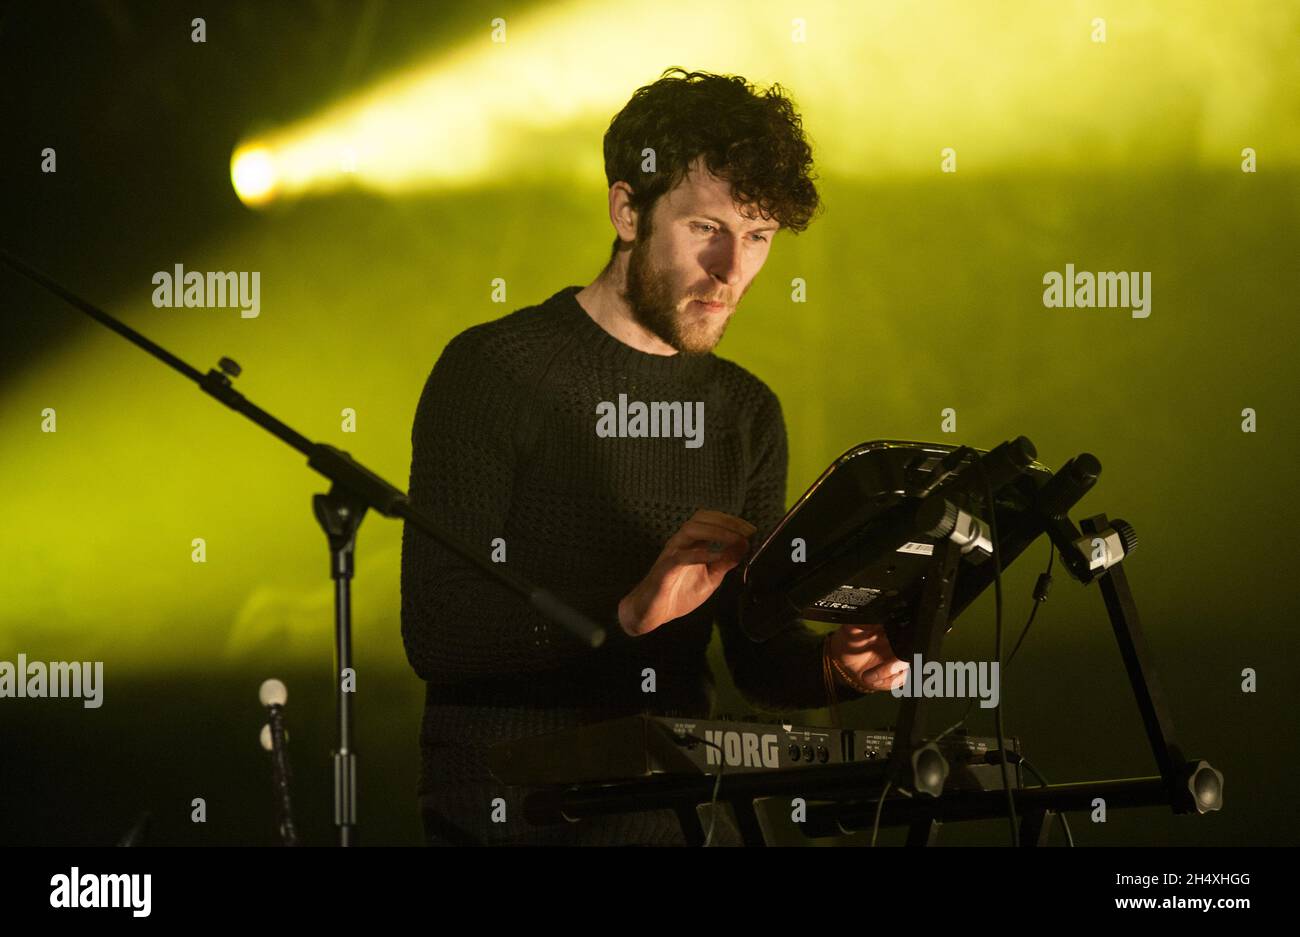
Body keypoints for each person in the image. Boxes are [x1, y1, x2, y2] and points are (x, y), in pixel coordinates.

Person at [400, 67, 908, 846]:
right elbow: (437, 629)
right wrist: (627, 610)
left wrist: (836, 668)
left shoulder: (746, 413)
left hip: (676, 821)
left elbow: (755, 655)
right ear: (627, 209)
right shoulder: (495, 370)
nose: (732, 272)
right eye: (707, 228)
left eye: (758, 237)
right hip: (510, 817)